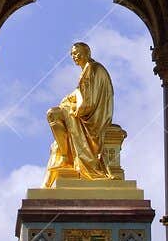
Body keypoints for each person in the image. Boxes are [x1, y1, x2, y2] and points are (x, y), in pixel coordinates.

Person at [44, 42, 115, 186]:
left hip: (92, 119)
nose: (74, 56)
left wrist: (69, 105)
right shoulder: (88, 69)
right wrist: (70, 99)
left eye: (77, 53)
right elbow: (82, 94)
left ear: (87, 52)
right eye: (72, 54)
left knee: (53, 114)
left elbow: (88, 104)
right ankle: (65, 156)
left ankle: (66, 157)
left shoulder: (93, 69)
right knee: (53, 114)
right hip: (87, 114)